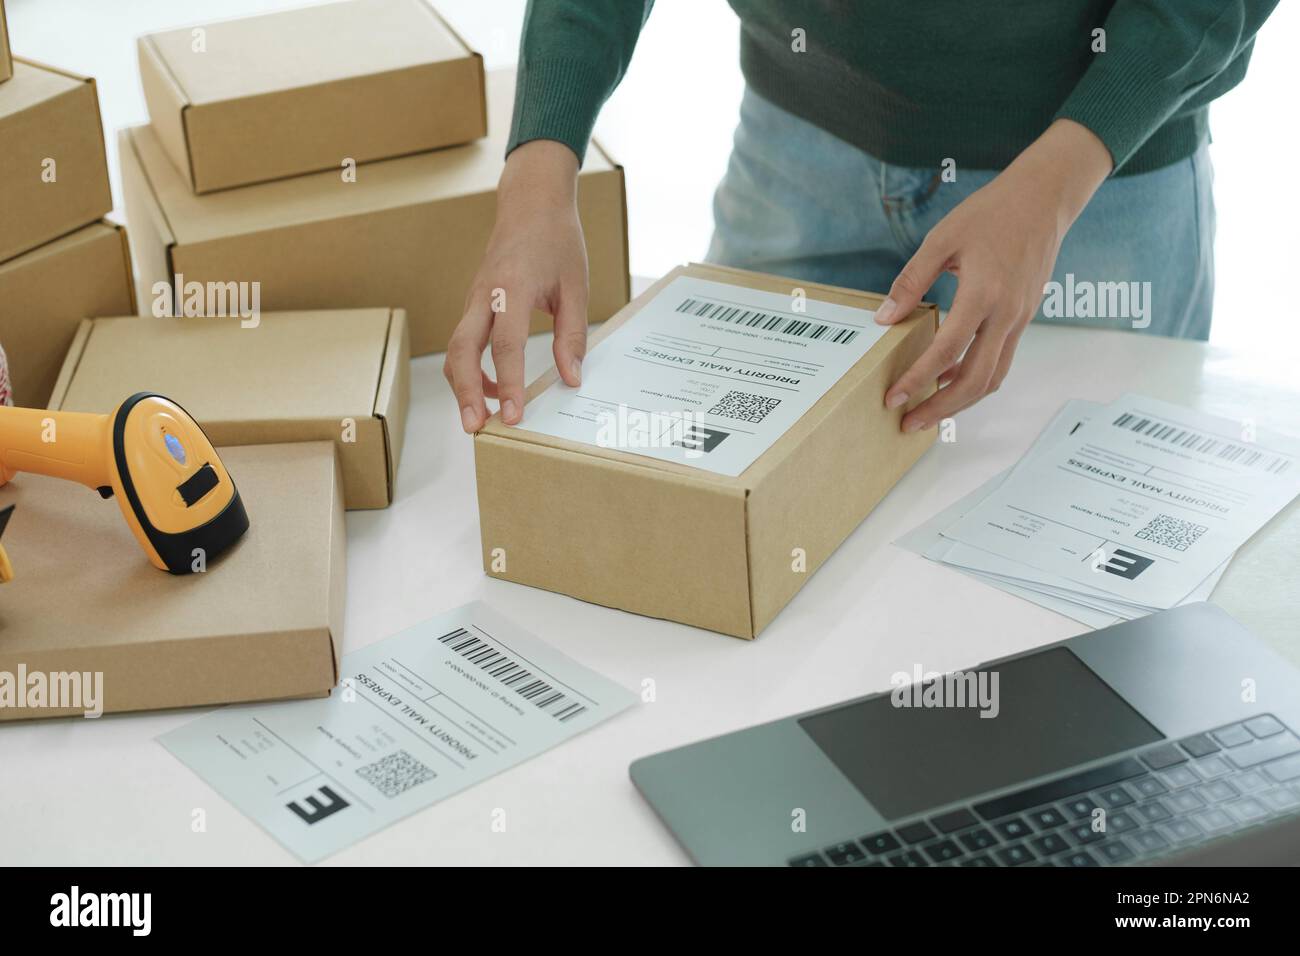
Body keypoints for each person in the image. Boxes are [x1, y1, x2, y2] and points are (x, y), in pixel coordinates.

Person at [445, 1, 1277, 435]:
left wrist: (1058, 182)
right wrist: (539, 183)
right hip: (798, 144)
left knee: (1073, 602)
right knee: (757, 537)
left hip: (1089, 181)